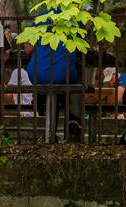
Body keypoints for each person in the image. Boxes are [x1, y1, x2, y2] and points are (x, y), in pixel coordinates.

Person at [26, 3, 85, 139]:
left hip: (36, 74)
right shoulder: (76, 18)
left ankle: (49, 128)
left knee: (52, 85)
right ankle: (72, 117)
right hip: (63, 74)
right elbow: (80, 46)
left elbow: (28, 49)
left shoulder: (39, 17)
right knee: (72, 81)